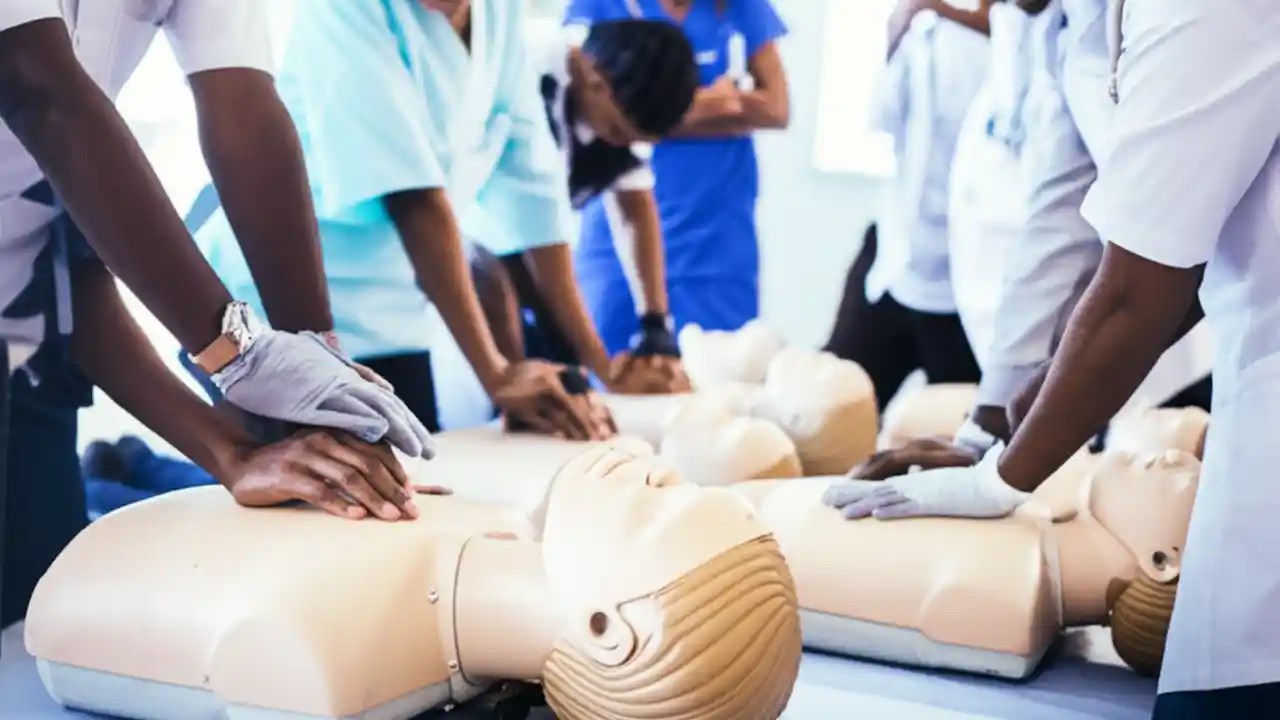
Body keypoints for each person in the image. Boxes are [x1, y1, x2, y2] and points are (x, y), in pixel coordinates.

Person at [826, 0, 1280, 714]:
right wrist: (988, 430)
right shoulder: (1062, 24)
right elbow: (1062, 222)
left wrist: (1000, 483)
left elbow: (1145, 285)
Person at [0, 1, 436, 631]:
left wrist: (308, 368)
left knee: (36, 622)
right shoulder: (48, 86)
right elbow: (40, 88)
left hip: (26, 337)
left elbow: (243, 104)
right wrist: (240, 355)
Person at [196, 0, 612, 441]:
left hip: (393, 310)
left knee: (409, 484)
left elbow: (533, 183)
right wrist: (497, 374)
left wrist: (600, 366)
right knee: (302, 486)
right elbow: (413, 197)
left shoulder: (499, 12)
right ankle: (132, 468)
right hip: (273, 306)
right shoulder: (343, 10)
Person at [469, 17, 698, 394]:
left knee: (563, 374)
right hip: (467, 241)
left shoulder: (615, 109)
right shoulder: (533, 79)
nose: (621, 147)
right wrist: (606, 373)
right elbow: (544, 246)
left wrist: (656, 324)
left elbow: (636, 208)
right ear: (594, 82)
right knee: (521, 383)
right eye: (618, 133)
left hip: (519, 243)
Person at [565, 0, 790, 355]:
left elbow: (777, 109)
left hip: (715, 231)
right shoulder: (601, 6)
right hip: (618, 223)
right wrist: (715, 104)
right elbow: (594, 109)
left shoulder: (741, 6)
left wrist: (654, 108)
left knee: (719, 372)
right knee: (605, 364)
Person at [822, 0, 991, 410]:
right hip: (896, 255)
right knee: (829, 408)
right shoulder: (921, 27)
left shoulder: (1014, 47)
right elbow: (882, 121)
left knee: (968, 433)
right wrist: (898, 31)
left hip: (971, 278)